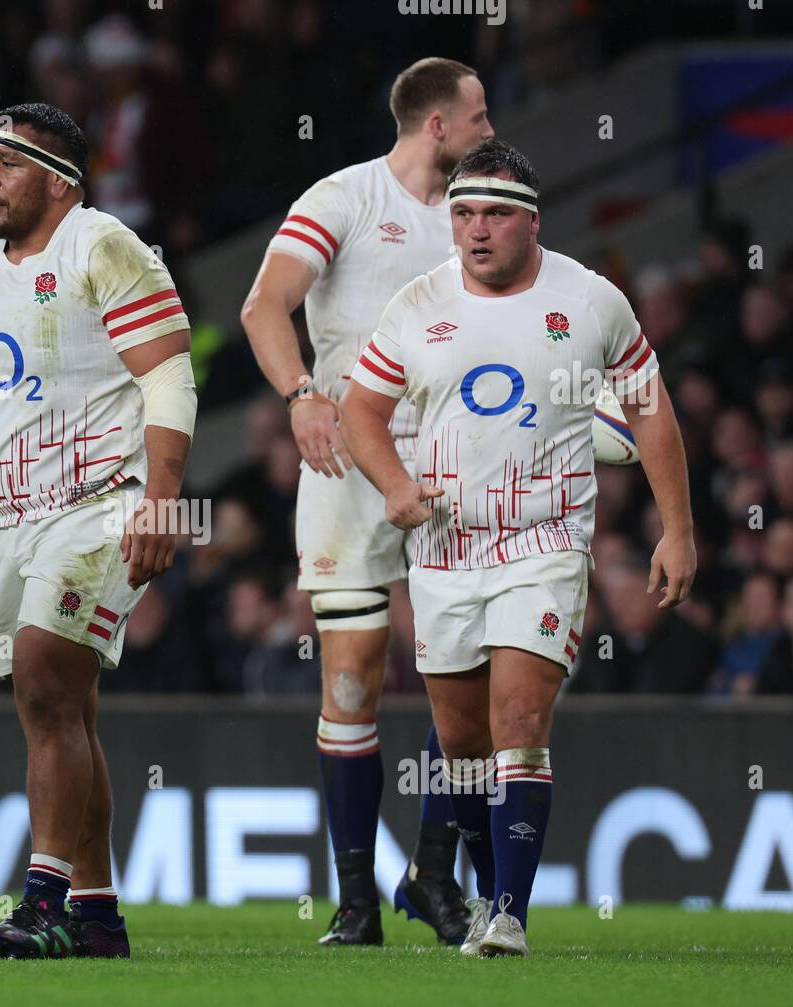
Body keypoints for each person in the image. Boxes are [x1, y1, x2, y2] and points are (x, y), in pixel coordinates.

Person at [342, 139, 696, 957]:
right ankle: (478, 887)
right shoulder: (418, 303)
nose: (476, 230)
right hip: (442, 549)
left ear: (532, 222)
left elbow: (648, 411)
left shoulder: (593, 298)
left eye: (496, 213)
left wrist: (677, 529)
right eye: (462, 213)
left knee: (519, 720)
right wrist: (396, 486)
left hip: (543, 542)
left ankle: (509, 913)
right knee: (460, 745)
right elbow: (361, 410)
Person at [0, 103, 196, 959]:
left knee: (43, 685)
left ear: (59, 181)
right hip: (9, 516)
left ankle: (45, 901)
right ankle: (97, 914)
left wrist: (163, 496)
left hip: (101, 501)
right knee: (66, 709)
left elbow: (171, 377)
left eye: (9, 163)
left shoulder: (104, 246)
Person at [240, 57, 494, 946]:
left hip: (454, 468)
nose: (489, 131)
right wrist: (302, 393)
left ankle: (430, 876)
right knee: (350, 679)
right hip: (348, 461)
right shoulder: (342, 197)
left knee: (462, 687)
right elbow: (264, 306)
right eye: (479, 116)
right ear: (437, 125)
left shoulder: (483, 216)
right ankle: (356, 903)